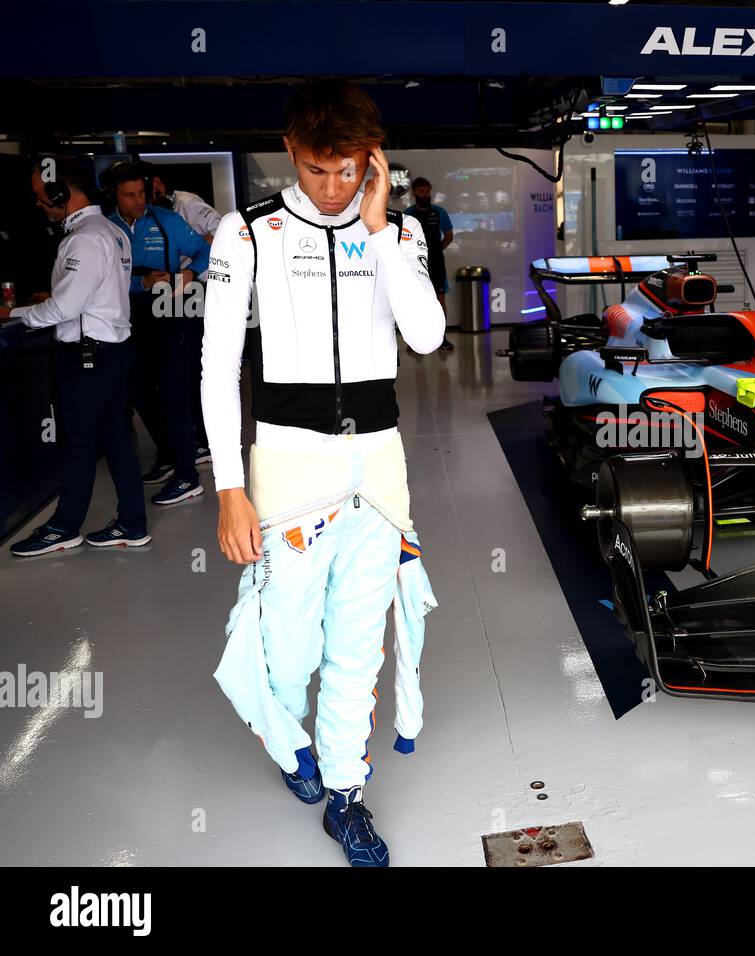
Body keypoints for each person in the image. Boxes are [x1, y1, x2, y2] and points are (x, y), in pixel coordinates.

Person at [204, 79, 442, 866]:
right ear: (290, 153)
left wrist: (377, 232)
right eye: (317, 170)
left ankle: (345, 791)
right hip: (288, 464)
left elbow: (429, 337)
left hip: (378, 463)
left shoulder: (395, 233)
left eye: (349, 171)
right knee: (285, 651)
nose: (334, 189)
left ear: (372, 161)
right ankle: (287, 740)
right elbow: (215, 369)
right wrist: (229, 488)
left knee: (355, 645)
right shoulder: (248, 233)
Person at [3, 158, 150, 556]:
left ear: (59, 192)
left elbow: (66, 308)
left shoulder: (84, 237)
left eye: (41, 195)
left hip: (89, 358)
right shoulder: (112, 231)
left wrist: (14, 315)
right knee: (116, 440)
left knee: (79, 444)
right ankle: (133, 524)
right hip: (113, 352)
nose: (39, 203)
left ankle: (65, 526)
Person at [107, 163, 209, 505]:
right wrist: (140, 281)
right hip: (125, 314)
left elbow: (205, 251)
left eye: (142, 193)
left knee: (173, 392)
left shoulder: (166, 220)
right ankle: (168, 456)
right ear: (114, 195)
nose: (138, 201)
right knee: (138, 391)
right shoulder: (105, 228)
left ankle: (187, 475)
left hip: (170, 313)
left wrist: (190, 275)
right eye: (129, 195)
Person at [145, 164, 218, 467]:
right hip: (168, 293)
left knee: (191, 371)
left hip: (194, 291)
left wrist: (192, 259)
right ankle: (194, 440)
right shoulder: (154, 215)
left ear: (157, 183)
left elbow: (222, 232)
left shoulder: (187, 204)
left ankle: (202, 441)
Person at [403, 176, 455, 353]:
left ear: (430, 190)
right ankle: (414, 340)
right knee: (416, 300)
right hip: (415, 265)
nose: (424, 195)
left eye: (427, 191)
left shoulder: (439, 212)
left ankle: (442, 338)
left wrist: (435, 250)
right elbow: (402, 239)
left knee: (440, 300)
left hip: (436, 262)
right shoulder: (408, 214)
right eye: (420, 192)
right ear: (414, 192)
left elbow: (449, 235)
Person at [147, 165, 223, 241]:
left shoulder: (187, 202)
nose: (139, 200)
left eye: (142, 192)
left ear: (155, 183)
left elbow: (220, 229)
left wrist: (195, 246)